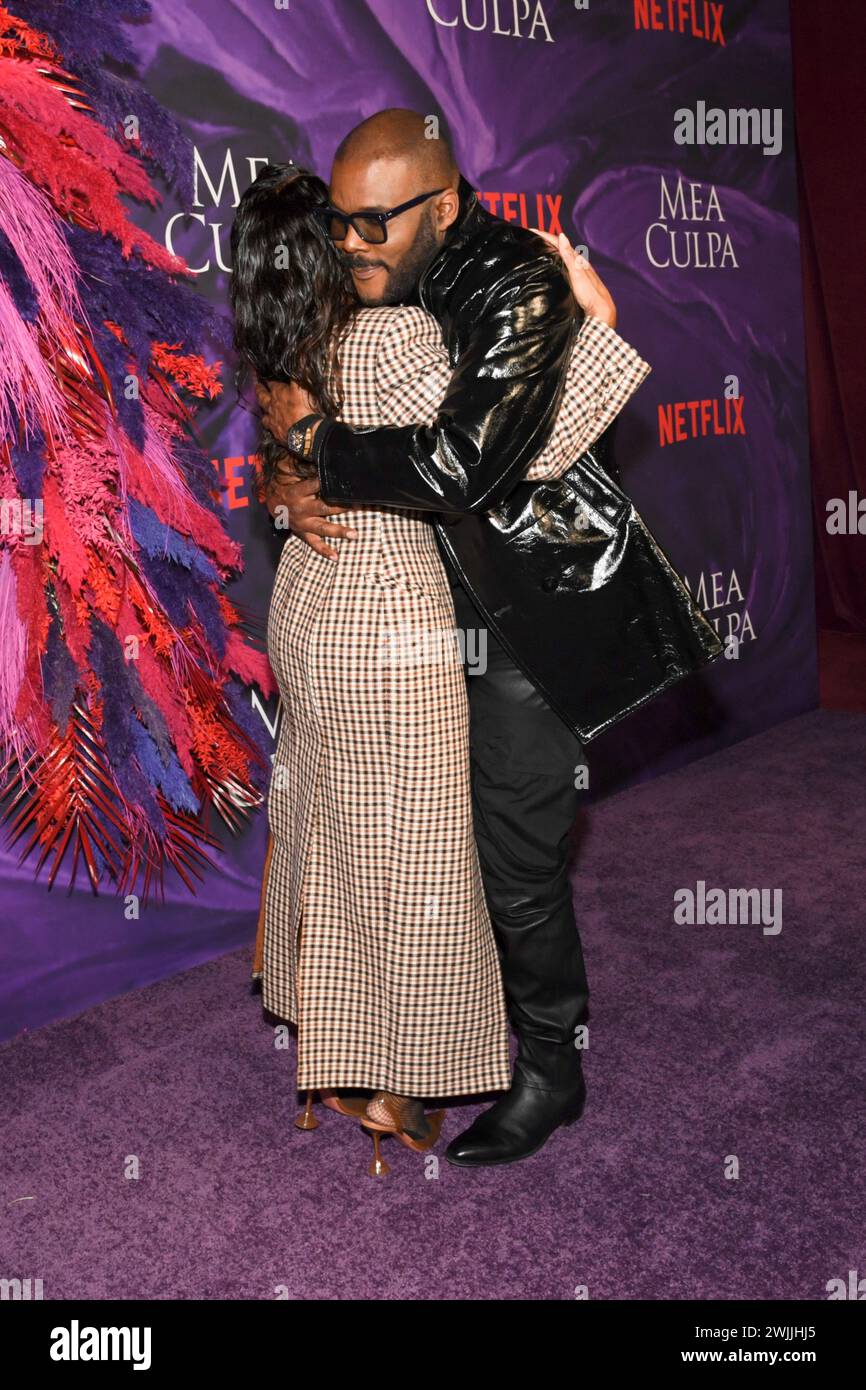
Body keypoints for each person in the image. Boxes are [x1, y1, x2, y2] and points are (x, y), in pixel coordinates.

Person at [259, 110, 724, 1168]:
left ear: (445, 203)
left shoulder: (510, 281)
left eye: (379, 222)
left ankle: (551, 1069)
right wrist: (285, 472)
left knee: (512, 861)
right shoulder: (363, 269)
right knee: (411, 846)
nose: (353, 244)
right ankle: (400, 1044)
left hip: (525, 607)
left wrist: (313, 445)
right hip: (411, 609)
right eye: (341, 223)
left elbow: (458, 469)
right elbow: (294, 386)